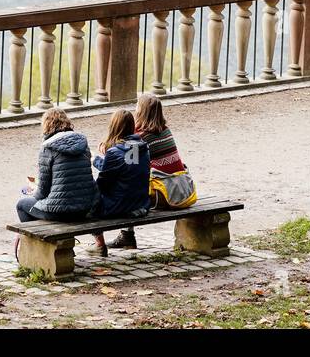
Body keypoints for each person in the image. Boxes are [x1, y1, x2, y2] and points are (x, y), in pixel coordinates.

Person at [109, 92, 197, 249]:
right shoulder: (166, 130)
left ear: (141, 111)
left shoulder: (139, 137)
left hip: (163, 194)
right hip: (182, 189)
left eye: (137, 106)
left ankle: (127, 235)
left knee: (126, 184)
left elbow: (128, 165)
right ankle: (126, 235)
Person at [15, 109, 98, 226]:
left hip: (61, 212)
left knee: (22, 205)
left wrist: (33, 192)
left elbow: (42, 193)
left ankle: (38, 241)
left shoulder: (47, 148)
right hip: (85, 208)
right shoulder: (83, 145)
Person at [88, 110, 150, 257]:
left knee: (89, 197)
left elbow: (103, 184)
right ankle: (128, 235)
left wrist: (95, 159)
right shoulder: (140, 148)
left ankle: (99, 245)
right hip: (140, 204)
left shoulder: (115, 153)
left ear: (114, 127)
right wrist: (106, 157)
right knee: (128, 185)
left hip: (119, 207)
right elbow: (128, 168)